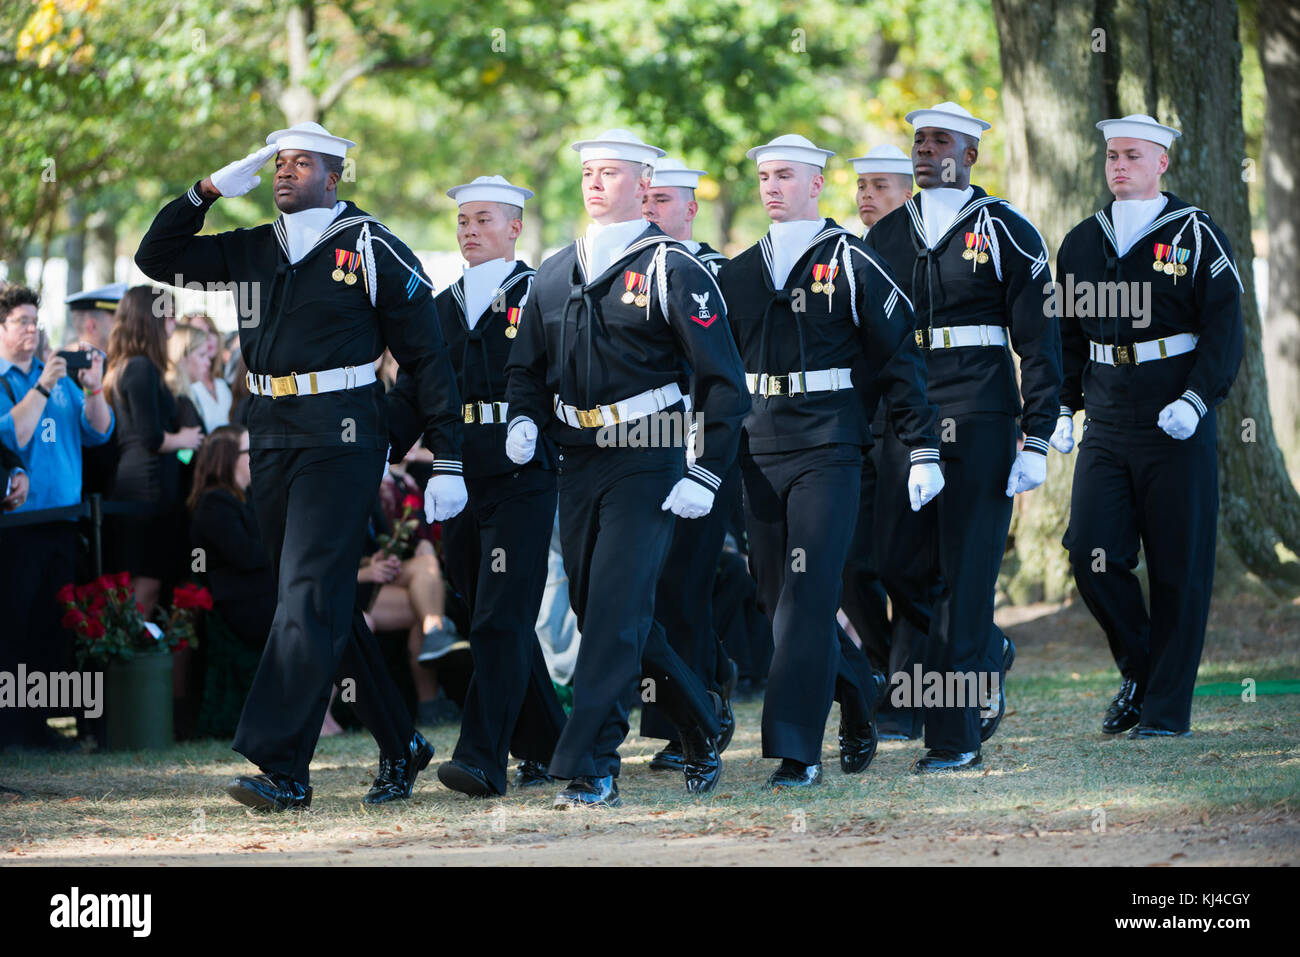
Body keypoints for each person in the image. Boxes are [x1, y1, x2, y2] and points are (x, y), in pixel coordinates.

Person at [135, 121, 467, 810]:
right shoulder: (255, 246)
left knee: (308, 590)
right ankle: (401, 740)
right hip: (271, 429)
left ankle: (283, 765)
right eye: (278, 161)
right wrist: (209, 189)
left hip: (343, 431)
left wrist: (448, 455)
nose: (285, 171)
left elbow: (428, 356)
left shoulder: (370, 245)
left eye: (302, 162)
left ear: (335, 174)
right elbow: (155, 257)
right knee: (319, 598)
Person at [505, 129, 750, 808]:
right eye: (587, 171)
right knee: (601, 608)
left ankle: (590, 765)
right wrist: (524, 419)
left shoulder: (673, 266)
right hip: (578, 459)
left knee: (612, 613)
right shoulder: (553, 271)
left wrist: (706, 471)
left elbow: (723, 381)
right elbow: (525, 368)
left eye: (609, 172)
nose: (594, 182)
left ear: (643, 187)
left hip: (651, 453)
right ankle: (700, 719)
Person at [718, 134, 942, 790]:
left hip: (831, 448)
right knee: (777, 601)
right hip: (759, 450)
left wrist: (923, 445)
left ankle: (797, 752)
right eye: (764, 176)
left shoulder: (854, 262)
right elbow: (715, 374)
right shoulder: (734, 274)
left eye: (785, 176)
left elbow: (902, 361)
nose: (771, 187)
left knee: (811, 592)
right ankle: (860, 686)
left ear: (816, 184)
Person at [865, 102, 1063, 772]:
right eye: (917, 139)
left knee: (965, 574)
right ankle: (987, 651)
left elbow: (1038, 339)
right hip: (905, 418)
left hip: (980, 413)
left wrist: (1037, 434)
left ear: (971, 154)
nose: (924, 149)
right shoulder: (886, 234)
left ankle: (954, 740)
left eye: (939, 140)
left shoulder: (1008, 229)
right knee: (898, 565)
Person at [1054, 114, 1243, 738]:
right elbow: (1066, 336)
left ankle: (1164, 714)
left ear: (1161, 163)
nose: (1118, 166)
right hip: (1107, 414)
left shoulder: (1195, 234)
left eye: (1132, 156)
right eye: (1112, 155)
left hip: (1175, 415)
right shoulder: (1083, 241)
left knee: (1177, 566)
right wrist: (1059, 405)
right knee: (1090, 551)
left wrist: (1196, 399)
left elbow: (1224, 327)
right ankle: (1139, 669)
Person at [386, 175, 567, 798]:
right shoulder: (438, 306)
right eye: (463, 220)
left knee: (499, 616)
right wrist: (371, 453)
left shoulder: (542, 292)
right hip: (459, 477)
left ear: (515, 225)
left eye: (483, 219)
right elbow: (413, 390)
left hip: (523, 474)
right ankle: (552, 745)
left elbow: (561, 376)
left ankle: (483, 759)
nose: (470, 230)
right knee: (493, 615)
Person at [637, 156, 742, 772]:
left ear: (691, 209)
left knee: (687, 579)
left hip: (705, 437)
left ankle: (702, 708)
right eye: (644, 200)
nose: (650, 211)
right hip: (646, 440)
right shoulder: (629, 268)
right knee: (653, 584)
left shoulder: (716, 271)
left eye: (662, 202)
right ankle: (688, 707)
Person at [0, 282, 114, 750]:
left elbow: (100, 432)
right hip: (17, 527)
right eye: (21, 321)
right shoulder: (12, 380)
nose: (31, 328)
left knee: (52, 628)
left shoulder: (61, 377)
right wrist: (44, 383)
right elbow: (13, 435)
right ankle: (10, 730)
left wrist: (93, 389)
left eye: (34, 319)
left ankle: (38, 725)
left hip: (64, 523)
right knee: (14, 627)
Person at [842, 144, 928, 739]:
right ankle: (881, 666)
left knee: (907, 562)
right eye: (861, 185)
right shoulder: (851, 253)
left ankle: (910, 690)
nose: (866, 196)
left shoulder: (921, 247)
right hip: (862, 424)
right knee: (850, 563)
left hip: (917, 420)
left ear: (908, 191)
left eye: (880, 185)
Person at [102, 287, 203, 618]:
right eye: (168, 316)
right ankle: (130, 660)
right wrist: (185, 438)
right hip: (146, 486)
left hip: (146, 483)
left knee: (145, 583)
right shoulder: (141, 367)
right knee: (144, 585)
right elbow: (149, 437)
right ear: (150, 320)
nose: (173, 325)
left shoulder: (128, 365)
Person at [181, 312, 233, 431]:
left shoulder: (222, 383)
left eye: (211, 331)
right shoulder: (184, 388)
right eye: (199, 331)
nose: (208, 337)